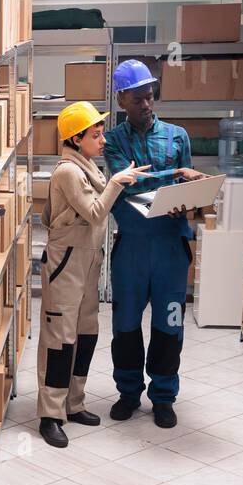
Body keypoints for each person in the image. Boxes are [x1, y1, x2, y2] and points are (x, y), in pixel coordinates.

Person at [37, 102, 150, 448]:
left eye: (101, 134)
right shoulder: (68, 172)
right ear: (76, 138)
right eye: (96, 135)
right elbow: (96, 211)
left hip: (86, 262)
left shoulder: (87, 166)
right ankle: (50, 416)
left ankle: (74, 403)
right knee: (60, 339)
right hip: (66, 264)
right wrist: (116, 181)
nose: (103, 140)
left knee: (85, 333)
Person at [101, 59, 207, 429]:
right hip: (132, 247)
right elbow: (126, 185)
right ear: (121, 100)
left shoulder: (178, 136)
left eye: (150, 97)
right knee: (126, 325)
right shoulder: (112, 141)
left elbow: (187, 193)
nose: (146, 105)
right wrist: (175, 174)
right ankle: (128, 392)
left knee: (169, 324)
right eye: (137, 99)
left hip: (169, 249)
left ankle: (163, 395)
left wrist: (190, 189)